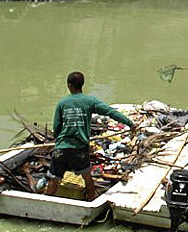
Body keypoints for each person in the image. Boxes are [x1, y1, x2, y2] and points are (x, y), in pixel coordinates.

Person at [45, 71, 135, 201]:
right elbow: (110, 112)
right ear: (82, 85)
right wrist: (130, 124)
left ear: (69, 85)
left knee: (54, 179)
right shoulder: (89, 101)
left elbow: (56, 127)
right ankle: (91, 198)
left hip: (62, 147)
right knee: (87, 176)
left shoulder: (62, 103)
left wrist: (59, 141)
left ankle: (47, 201)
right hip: (80, 148)